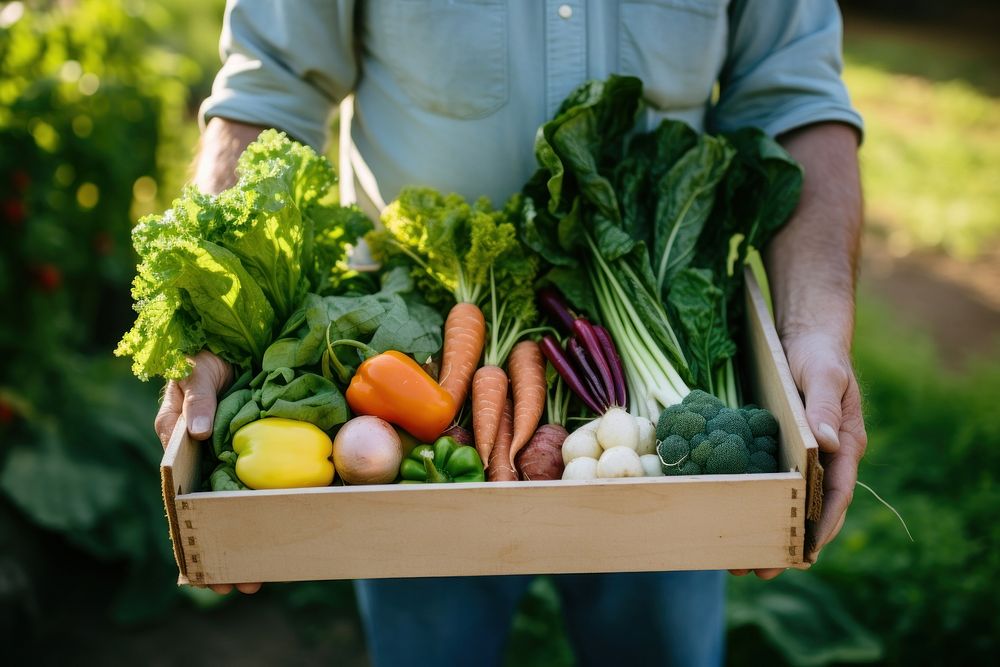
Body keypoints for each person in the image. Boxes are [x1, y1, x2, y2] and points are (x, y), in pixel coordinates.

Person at [155, 2, 867, 665]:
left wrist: (816, 332)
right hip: (416, 400)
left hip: (653, 431)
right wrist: (221, 321)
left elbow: (796, 104)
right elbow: (268, 94)